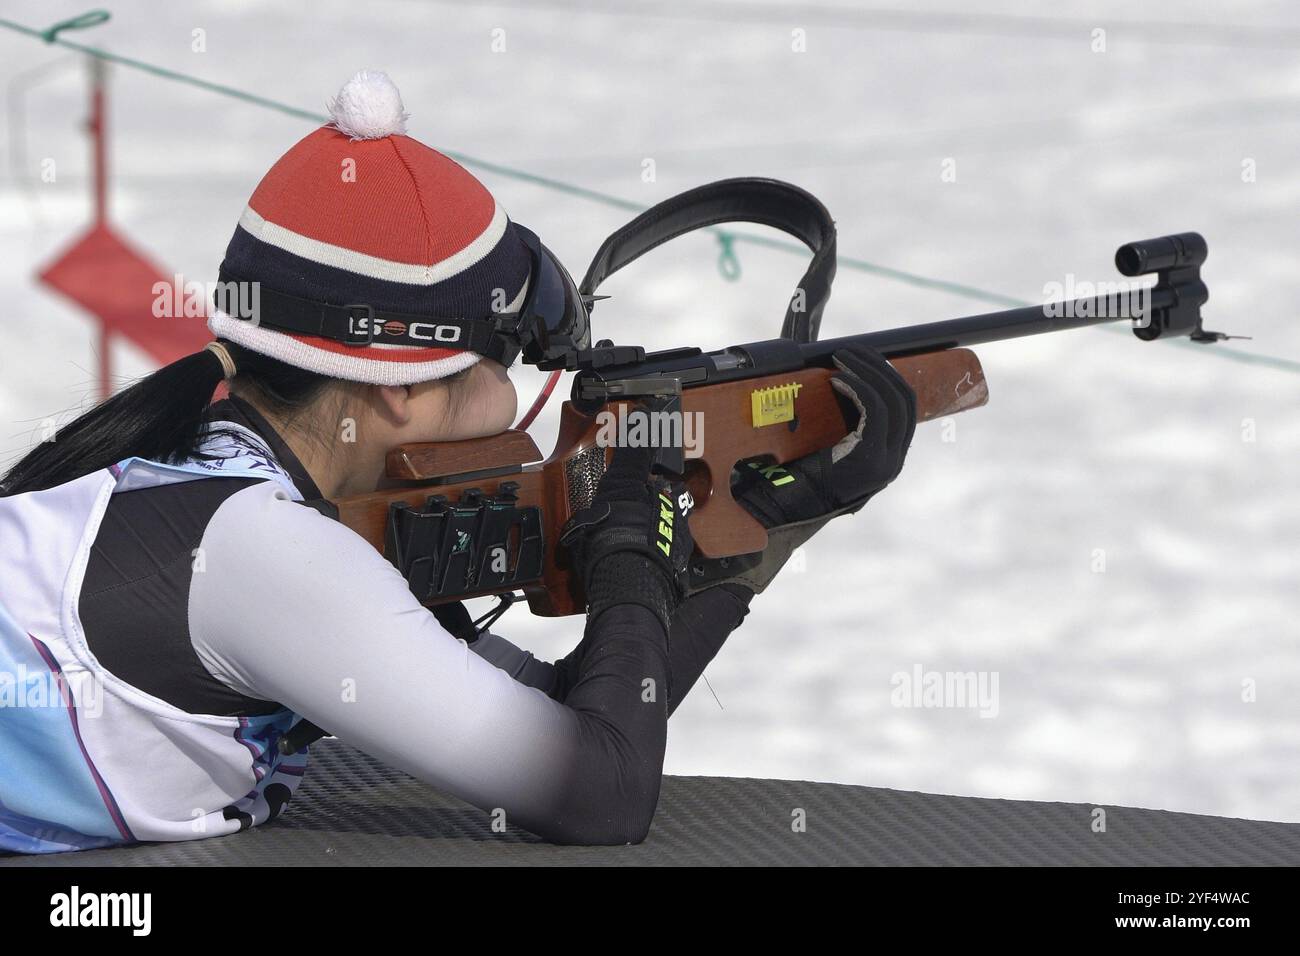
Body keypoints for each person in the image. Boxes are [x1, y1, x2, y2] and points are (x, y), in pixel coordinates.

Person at [0, 72, 915, 854]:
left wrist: (768, 523)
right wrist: (632, 548)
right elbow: (601, 790)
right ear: (399, 384)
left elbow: (563, 718)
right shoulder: (269, 550)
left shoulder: (222, 481)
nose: (518, 397)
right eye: (508, 361)